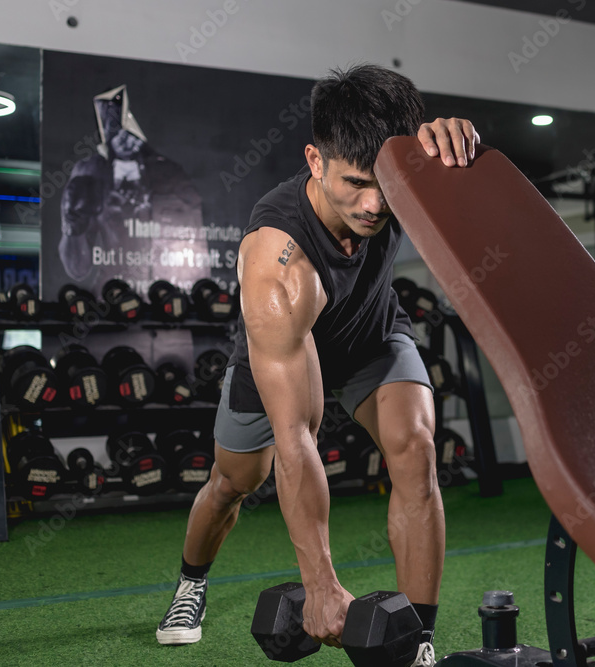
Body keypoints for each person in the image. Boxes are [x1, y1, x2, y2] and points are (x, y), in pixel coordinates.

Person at [156, 64, 479, 666]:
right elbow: (295, 437)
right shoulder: (276, 267)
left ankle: (417, 643)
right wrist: (321, 582)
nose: (374, 204)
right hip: (280, 354)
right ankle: (190, 585)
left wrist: (460, 141)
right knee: (232, 483)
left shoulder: (400, 180)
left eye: (385, 182)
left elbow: (479, 195)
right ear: (314, 160)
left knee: (416, 448)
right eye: (355, 183)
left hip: (372, 336)